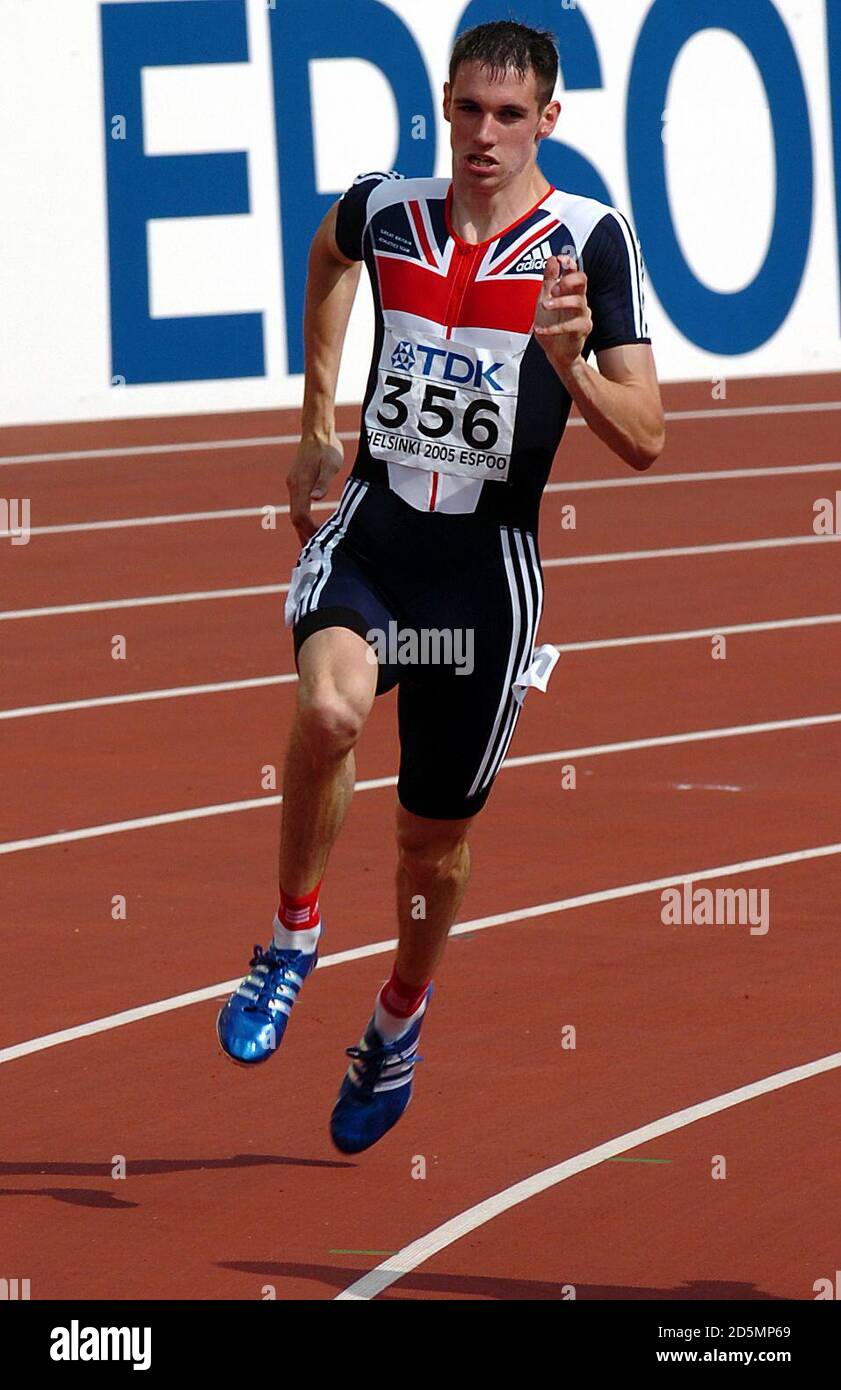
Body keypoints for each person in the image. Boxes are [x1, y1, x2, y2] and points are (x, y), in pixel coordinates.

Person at [217, 19, 665, 1153]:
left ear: (547, 121)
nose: (482, 134)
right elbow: (324, 258)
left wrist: (567, 367)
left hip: (482, 582)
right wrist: (317, 418)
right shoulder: (389, 209)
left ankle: (398, 1017)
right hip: (373, 537)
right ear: (445, 106)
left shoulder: (586, 242)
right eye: (467, 109)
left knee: (429, 844)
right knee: (328, 707)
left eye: (509, 115)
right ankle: (289, 938)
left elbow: (647, 435)